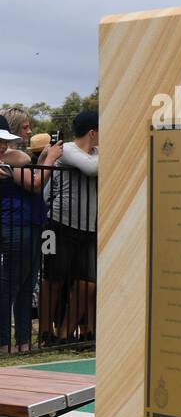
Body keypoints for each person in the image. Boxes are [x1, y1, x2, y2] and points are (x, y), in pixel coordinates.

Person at [0, 116, 60, 352]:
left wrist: (45, 157)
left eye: (5, 141)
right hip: (15, 226)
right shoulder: (6, 164)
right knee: (10, 286)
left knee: (25, 285)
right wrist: (52, 160)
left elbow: (29, 171)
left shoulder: (9, 160)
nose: (3, 146)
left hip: (31, 224)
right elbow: (35, 184)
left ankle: (23, 343)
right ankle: (5, 344)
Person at [47, 110, 99, 345]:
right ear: (92, 132)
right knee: (54, 280)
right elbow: (90, 168)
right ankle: (46, 332)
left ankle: (65, 333)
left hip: (89, 228)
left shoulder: (97, 154)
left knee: (87, 283)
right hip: (60, 224)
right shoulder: (67, 149)